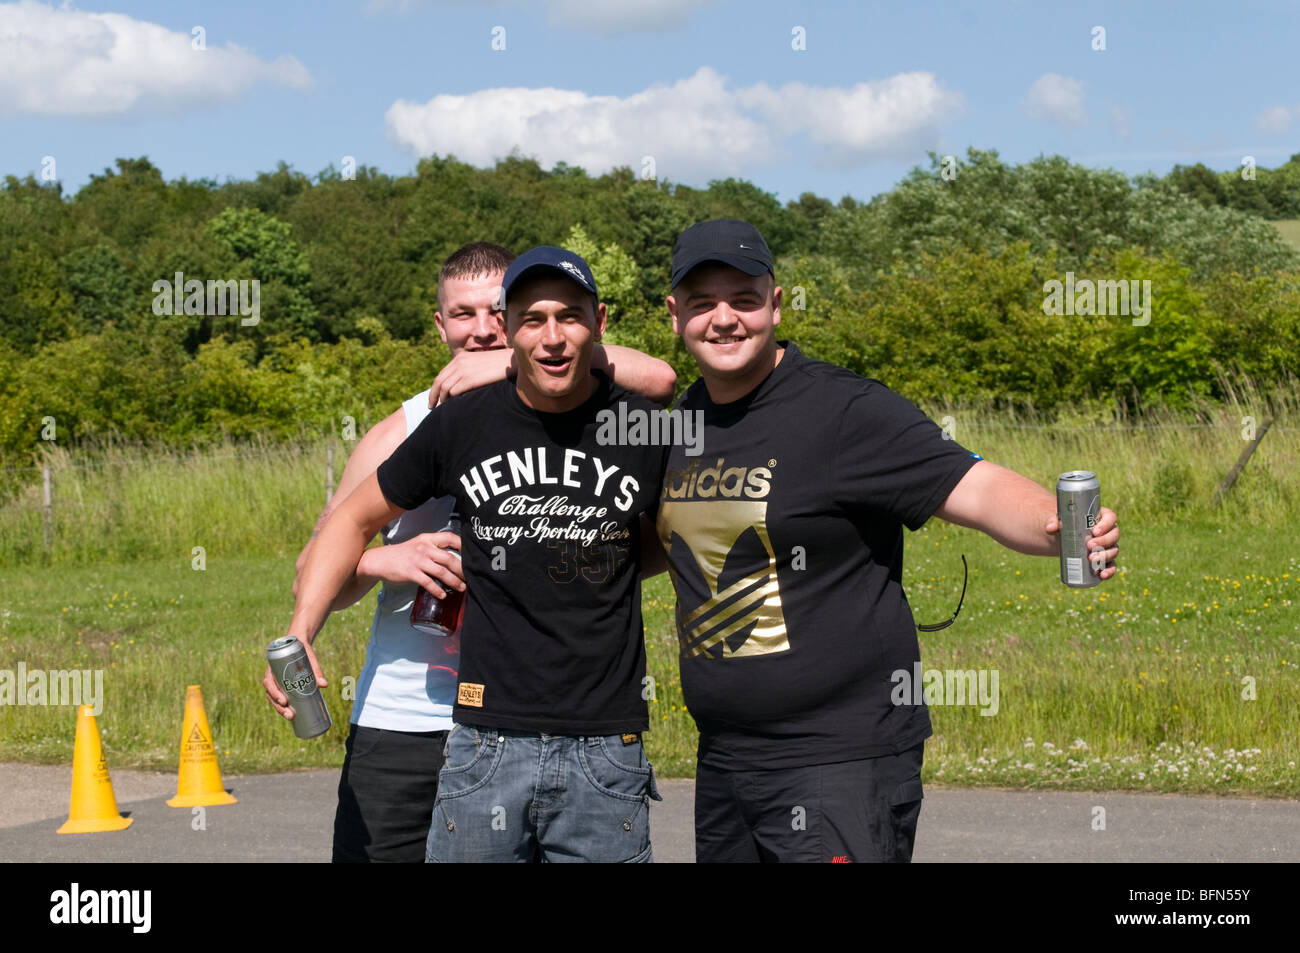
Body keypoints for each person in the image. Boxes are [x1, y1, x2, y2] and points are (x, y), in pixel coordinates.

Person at [652, 219, 1121, 863]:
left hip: (838, 761)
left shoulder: (844, 411)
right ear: (675, 315)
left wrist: (1056, 524)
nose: (725, 319)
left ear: (777, 304)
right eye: (703, 303)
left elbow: (975, 486)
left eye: (745, 299)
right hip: (727, 759)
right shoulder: (682, 423)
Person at [263, 242, 675, 862]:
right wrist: (383, 562)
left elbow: (662, 381)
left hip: (555, 720)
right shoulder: (412, 429)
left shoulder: (611, 410)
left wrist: (514, 364)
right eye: (465, 314)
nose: (481, 329)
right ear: (441, 324)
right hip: (413, 717)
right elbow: (328, 546)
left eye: (494, 312)